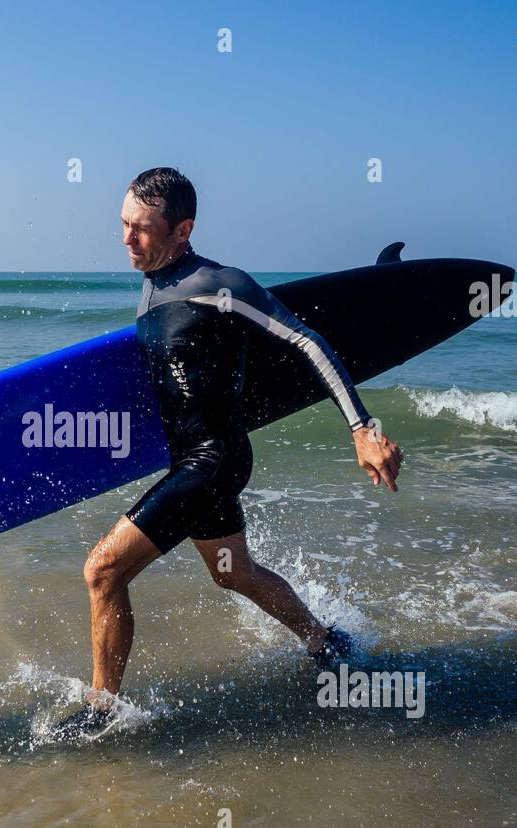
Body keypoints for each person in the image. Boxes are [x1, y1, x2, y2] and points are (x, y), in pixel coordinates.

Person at [55, 168, 403, 740]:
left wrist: (362, 427)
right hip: (194, 459)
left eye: (141, 229)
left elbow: (304, 339)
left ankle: (102, 710)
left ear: (183, 229)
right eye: (123, 225)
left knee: (102, 571)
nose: (127, 239)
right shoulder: (152, 286)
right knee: (233, 573)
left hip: (211, 461)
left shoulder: (219, 284)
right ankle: (326, 644)